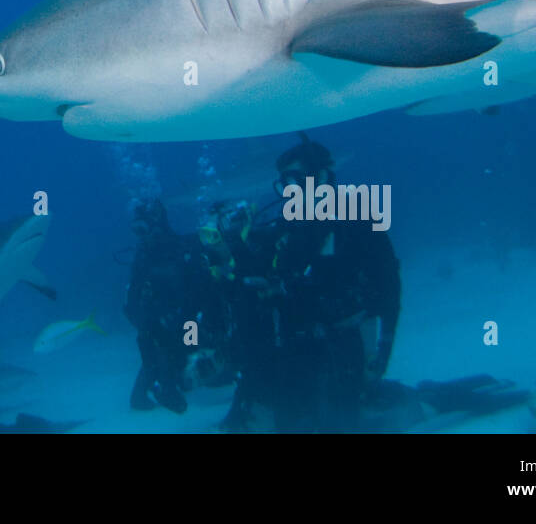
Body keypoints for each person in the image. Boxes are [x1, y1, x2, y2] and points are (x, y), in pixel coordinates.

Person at [220, 135, 401, 433]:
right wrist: (234, 242)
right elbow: (257, 265)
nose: (290, 190)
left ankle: (402, 400)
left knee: (340, 422)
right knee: (285, 418)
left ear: (322, 176)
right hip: (298, 343)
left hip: (346, 338)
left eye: (296, 179)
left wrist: (384, 346)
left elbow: (389, 285)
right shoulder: (289, 223)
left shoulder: (357, 218)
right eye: (285, 182)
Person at [123, 198, 225, 414]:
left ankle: (180, 379)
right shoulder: (142, 258)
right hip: (159, 325)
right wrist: (149, 323)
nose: (141, 236)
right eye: (136, 230)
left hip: (190, 319)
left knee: (191, 351)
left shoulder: (184, 247)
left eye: (143, 229)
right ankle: (159, 388)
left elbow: (207, 291)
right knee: (158, 352)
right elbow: (132, 303)